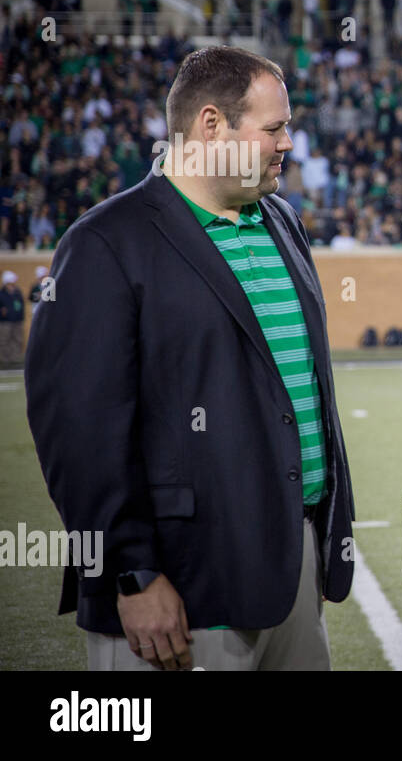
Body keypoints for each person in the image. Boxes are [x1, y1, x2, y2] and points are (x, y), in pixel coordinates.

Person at [25, 46, 355, 671]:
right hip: (176, 582)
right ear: (211, 125)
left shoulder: (281, 221)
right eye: (275, 127)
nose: (290, 143)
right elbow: (79, 436)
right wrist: (132, 574)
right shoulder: (104, 243)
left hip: (290, 559)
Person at [0, 270, 24, 368]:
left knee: (17, 339)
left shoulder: (17, 293)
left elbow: (21, 305)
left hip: (17, 320)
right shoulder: (1, 294)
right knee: (4, 340)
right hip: (5, 321)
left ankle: (15, 359)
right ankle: (4, 360)